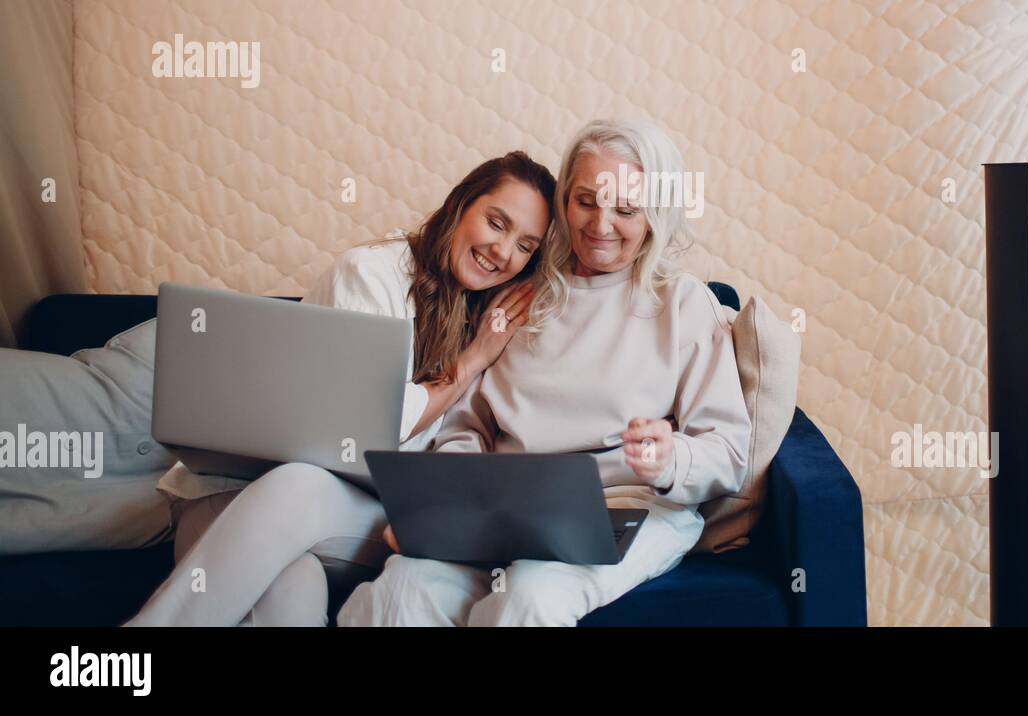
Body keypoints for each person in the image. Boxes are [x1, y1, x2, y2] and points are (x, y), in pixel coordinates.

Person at [338, 119, 750, 626]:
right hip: (505, 509)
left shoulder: (683, 304)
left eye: (625, 209)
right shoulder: (524, 297)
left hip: (624, 507)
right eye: (585, 201)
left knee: (530, 595)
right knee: (403, 588)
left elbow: (728, 453)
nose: (600, 225)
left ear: (655, 214)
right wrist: (447, 511)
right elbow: (467, 427)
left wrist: (669, 459)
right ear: (563, 202)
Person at [125, 151, 555, 626]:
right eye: (497, 224)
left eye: (525, 246)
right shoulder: (370, 274)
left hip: (360, 516)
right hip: (228, 496)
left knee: (298, 484)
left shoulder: (497, 319)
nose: (503, 252)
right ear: (460, 205)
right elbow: (379, 424)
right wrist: (472, 359)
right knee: (293, 585)